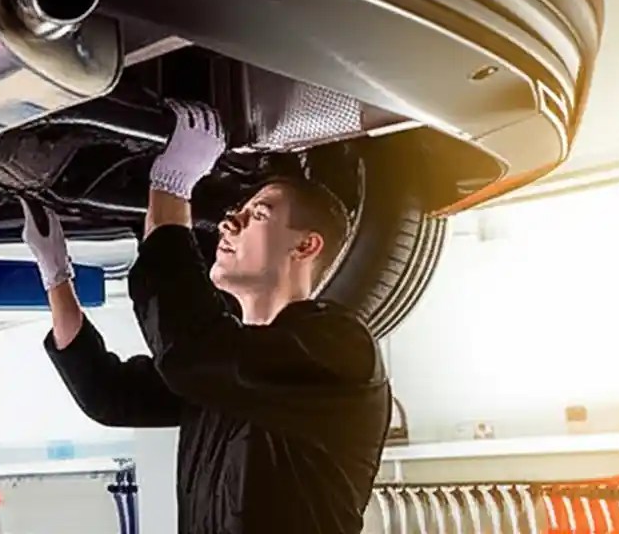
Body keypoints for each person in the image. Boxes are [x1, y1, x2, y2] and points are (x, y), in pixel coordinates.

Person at [19, 100, 391, 534]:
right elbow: (110, 392)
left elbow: (190, 350)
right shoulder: (233, 371)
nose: (229, 223)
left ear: (305, 247)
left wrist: (174, 185)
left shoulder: (342, 349)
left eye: (258, 215)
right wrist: (57, 275)